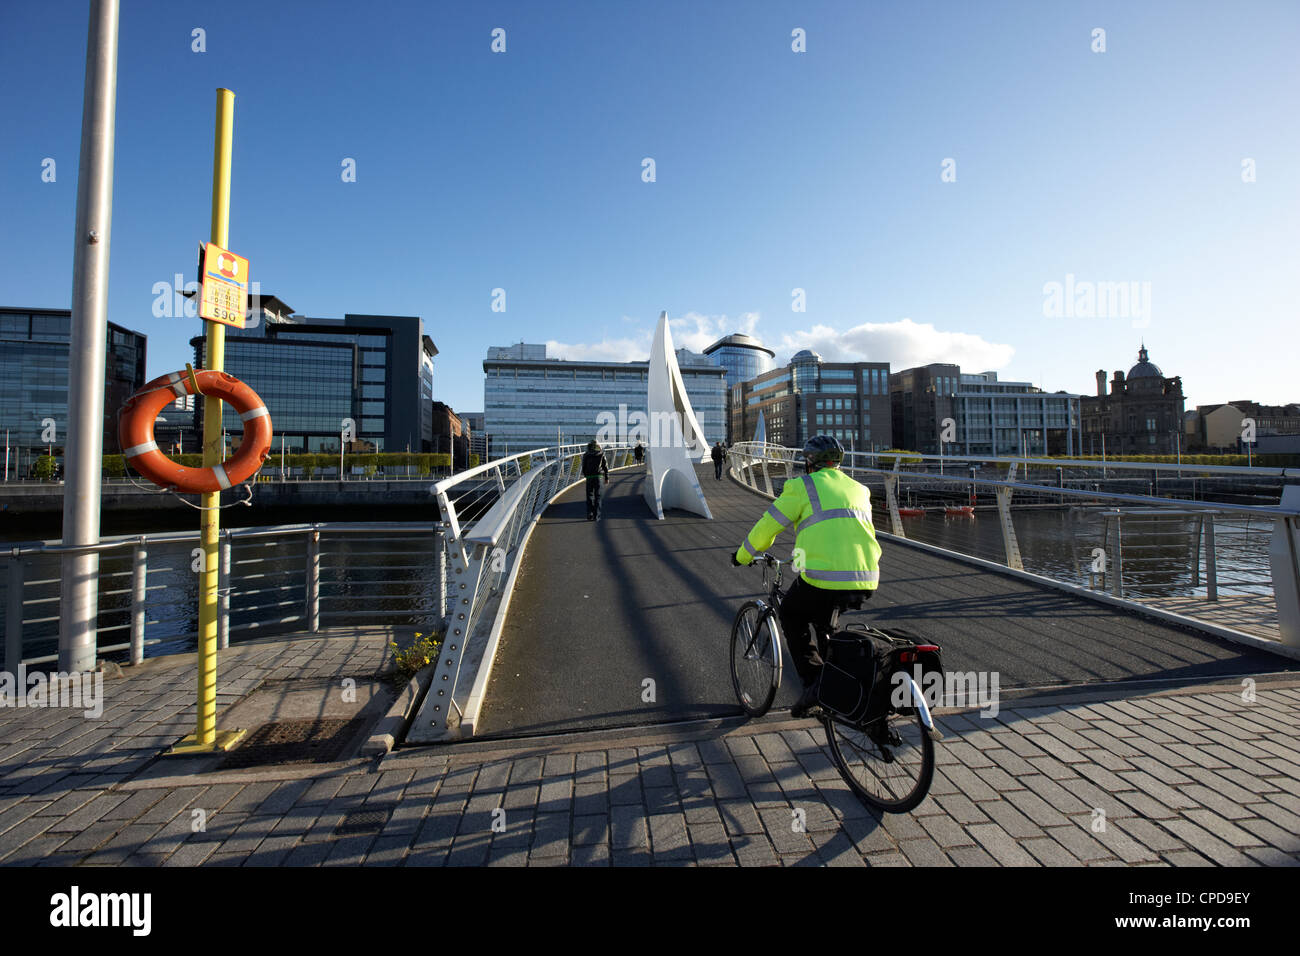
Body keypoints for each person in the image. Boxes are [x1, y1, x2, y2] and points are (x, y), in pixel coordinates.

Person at [731, 435, 882, 718]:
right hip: (865, 576)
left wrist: (742, 555)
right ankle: (844, 689)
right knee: (825, 622)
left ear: (809, 463)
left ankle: (814, 686)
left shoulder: (803, 487)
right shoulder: (859, 489)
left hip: (825, 578)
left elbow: (767, 527)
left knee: (791, 613)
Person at [582, 439, 609, 520]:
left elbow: (584, 466)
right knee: (598, 496)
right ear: (598, 446)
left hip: (589, 477)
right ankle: (596, 516)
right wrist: (607, 477)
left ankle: (589, 514)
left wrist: (586, 475)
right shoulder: (601, 453)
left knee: (589, 496)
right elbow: (605, 467)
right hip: (599, 477)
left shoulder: (586, 454)